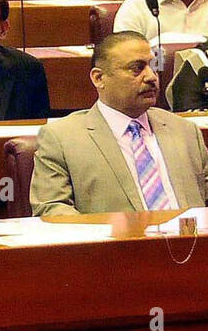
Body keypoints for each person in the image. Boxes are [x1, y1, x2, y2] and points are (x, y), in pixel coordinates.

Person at [31, 31, 208, 216]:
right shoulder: (61, 138)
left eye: (152, 66)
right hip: (113, 243)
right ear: (99, 78)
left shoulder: (186, 131)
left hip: (192, 242)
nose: (151, 77)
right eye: (136, 68)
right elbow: (51, 209)